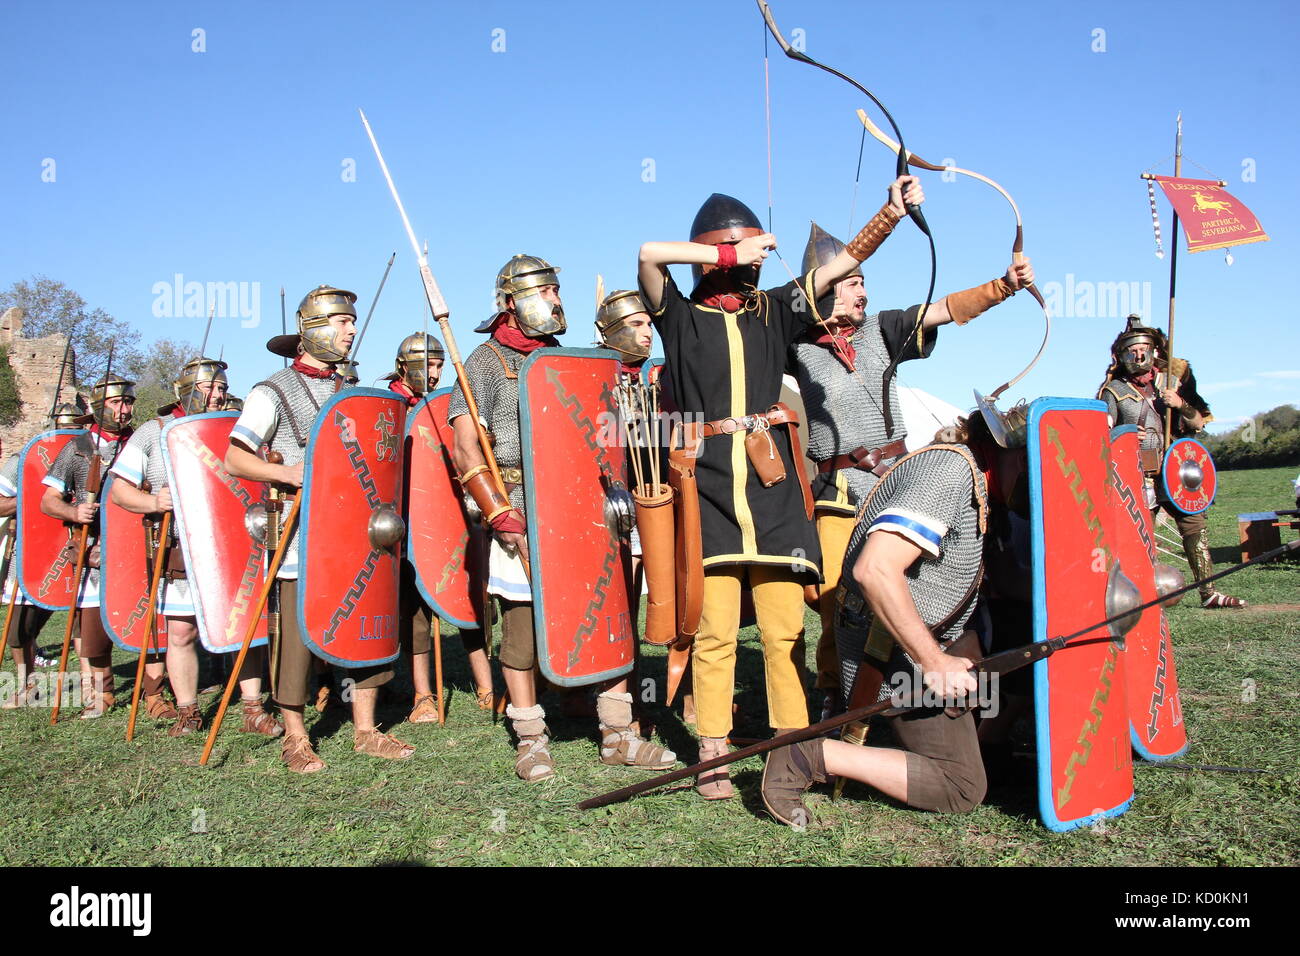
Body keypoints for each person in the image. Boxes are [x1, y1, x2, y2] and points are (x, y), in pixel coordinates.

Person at [636, 176, 923, 798]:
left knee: (783, 632)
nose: (745, 266)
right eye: (732, 254)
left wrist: (892, 212)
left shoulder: (775, 310)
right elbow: (648, 256)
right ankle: (712, 750)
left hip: (772, 494)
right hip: (705, 492)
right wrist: (725, 253)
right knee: (713, 634)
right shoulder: (678, 318)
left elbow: (842, 264)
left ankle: (793, 753)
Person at [790, 222, 1034, 718]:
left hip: (899, 479)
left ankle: (909, 686)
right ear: (827, 286)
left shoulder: (881, 330)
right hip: (840, 489)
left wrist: (1004, 286)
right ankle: (835, 698)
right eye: (853, 280)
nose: (864, 289)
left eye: (862, 280)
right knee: (840, 602)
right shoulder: (794, 346)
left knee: (919, 586)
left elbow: (943, 308)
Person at [448, 255, 676, 781]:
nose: (556, 299)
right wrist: (504, 518)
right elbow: (466, 449)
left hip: (585, 509)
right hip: (521, 510)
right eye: (546, 291)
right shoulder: (481, 364)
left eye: (556, 289)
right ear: (511, 302)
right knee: (524, 633)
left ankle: (620, 734)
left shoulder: (572, 360)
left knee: (609, 617)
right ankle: (530, 736)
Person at [760, 408, 1019, 825]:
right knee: (960, 786)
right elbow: (875, 569)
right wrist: (933, 661)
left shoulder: (972, 476)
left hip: (930, 635)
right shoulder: (948, 470)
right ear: (1008, 452)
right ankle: (806, 752)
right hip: (886, 650)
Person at [225, 285, 415, 772]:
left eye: (352, 321)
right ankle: (294, 735)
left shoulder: (353, 392)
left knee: (366, 621)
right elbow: (234, 457)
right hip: (300, 533)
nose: (351, 329)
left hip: (359, 530)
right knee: (296, 635)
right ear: (311, 330)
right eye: (340, 321)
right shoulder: (272, 391)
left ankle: (366, 731)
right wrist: (289, 474)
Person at [109, 356, 282, 737]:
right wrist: (155, 502)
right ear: (186, 390)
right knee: (181, 632)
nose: (219, 395)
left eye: (222, 388)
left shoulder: (237, 429)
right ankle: (188, 710)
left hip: (238, 544)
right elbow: (120, 490)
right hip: (181, 547)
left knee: (247, 629)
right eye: (211, 388)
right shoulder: (154, 432)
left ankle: (253, 708)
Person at [1097, 315, 1244, 608]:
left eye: (1143, 349)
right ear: (1122, 355)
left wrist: (1180, 404)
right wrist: (1123, 434)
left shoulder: (1172, 385)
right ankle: (1143, 597)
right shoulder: (1112, 391)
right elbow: (1102, 433)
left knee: (1195, 529)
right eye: (1132, 351)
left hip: (1177, 472)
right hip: (1140, 473)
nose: (1139, 355)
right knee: (1141, 538)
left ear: (1154, 351)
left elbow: (1198, 424)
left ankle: (1209, 592)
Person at [385, 330, 494, 721]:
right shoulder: (391, 407)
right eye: (425, 365)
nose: (433, 374)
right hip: (407, 522)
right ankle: (422, 695)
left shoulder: (448, 404)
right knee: (416, 613)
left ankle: (486, 684)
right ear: (404, 366)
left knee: (465, 602)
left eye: (437, 366)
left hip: (450, 516)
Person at [40, 376, 135, 717]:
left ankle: (154, 694)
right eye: (116, 403)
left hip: (135, 545)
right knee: (91, 624)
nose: (124, 410)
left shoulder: (138, 442)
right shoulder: (78, 448)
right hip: (92, 546)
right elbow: (48, 501)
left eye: (128, 403)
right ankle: (100, 691)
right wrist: (74, 510)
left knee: (140, 615)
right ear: (98, 407)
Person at [0, 402, 81, 708]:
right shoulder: (23, 460)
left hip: (78, 550)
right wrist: (32, 496)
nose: (70, 435)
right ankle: (27, 684)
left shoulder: (87, 459)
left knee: (81, 626)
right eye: (65, 429)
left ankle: (92, 689)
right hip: (35, 552)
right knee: (19, 631)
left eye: (76, 430)